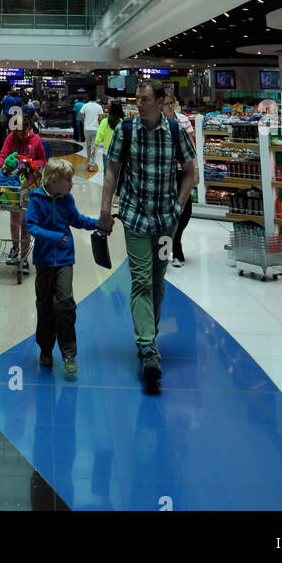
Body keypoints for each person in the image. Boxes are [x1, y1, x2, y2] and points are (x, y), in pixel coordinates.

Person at [97, 80, 197, 387]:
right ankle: (147, 347)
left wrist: (178, 207)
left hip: (166, 224)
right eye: (137, 99)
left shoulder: (176, 132)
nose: (138, 104)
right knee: (141, 279)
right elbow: (112, 170)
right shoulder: (126, 130)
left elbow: (191, 172)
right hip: (136, 220)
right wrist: (105, 210)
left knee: (157, 279)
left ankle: (148, 336)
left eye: (144, 100)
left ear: (160, 102)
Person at [25, 157, 99, 377]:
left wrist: (98, 223)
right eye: (68, 179)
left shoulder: (67, 199)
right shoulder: (37, 199)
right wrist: (55, 237)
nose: (71, 184)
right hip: (44, 261)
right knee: (44, 305)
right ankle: (46, 349)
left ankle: (69, 353)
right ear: (54, 180)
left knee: (65, 304)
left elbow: (77, 220)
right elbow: (31, 226)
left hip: (65, 260)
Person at [0, 110, 46, 273]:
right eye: (15, 133)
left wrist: (29, 164)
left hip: (29, 184)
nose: (18, 136)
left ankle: (24, 256)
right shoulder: (11, 138)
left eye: (21, 132)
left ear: (28, 128)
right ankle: (15, 248)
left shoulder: (36, 140)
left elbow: (43, 160)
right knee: (14, 218)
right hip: (12, 185)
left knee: (25, 221)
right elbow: (3, 155)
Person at [163, 92, 194, 269]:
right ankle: (172, 250)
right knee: (167, 212)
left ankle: (176, 241)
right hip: (165, 173)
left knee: (185, 211)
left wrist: (195, 169)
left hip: (183, 172)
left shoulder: (183, 120)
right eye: (166, 103)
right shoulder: (157, 122)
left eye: (172, 103)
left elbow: (191, 145)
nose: (170, 107)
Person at [95, 99, 124, 175]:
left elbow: (99, 135)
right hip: (119, 151)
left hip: (106, 150)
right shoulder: (122, 122)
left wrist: (95, 147)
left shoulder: (105, 121)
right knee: (118, 173)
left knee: (106, 172)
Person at [80, 94, 104, 163]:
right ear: (96, 98)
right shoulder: (99, 106)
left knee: (88, 146)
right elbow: (101, 118)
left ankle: (89, 161)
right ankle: (92, 164)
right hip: (95, 128)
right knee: (94, 147)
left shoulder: (85, 105)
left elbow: (79, 115)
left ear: (89, 98)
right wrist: (99, 123)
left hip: (86, 128)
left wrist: (84, 120)